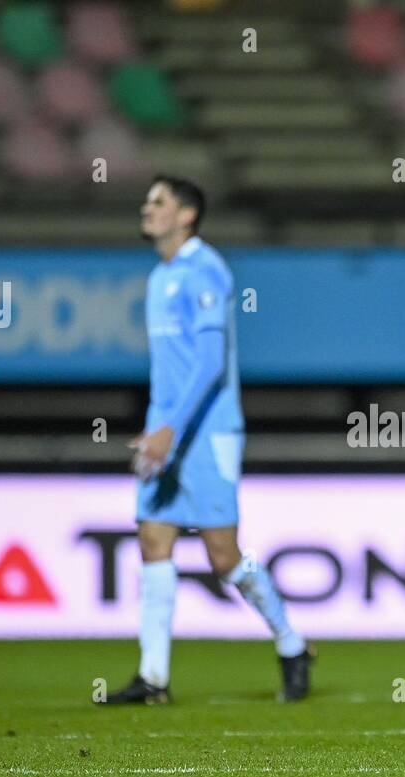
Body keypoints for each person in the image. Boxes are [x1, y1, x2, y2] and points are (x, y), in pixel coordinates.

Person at [100, 174, 311, 706]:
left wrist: (170, 429)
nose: (146, 209)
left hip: (208, 434)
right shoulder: (158, 278)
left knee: (224, 557)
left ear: (187, 214)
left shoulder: (206, 270)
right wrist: (157, 426)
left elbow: (211, 364)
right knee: (153, 540)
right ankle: (153, 679)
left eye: (158, 202)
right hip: (165, 433)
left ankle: (291, 643)